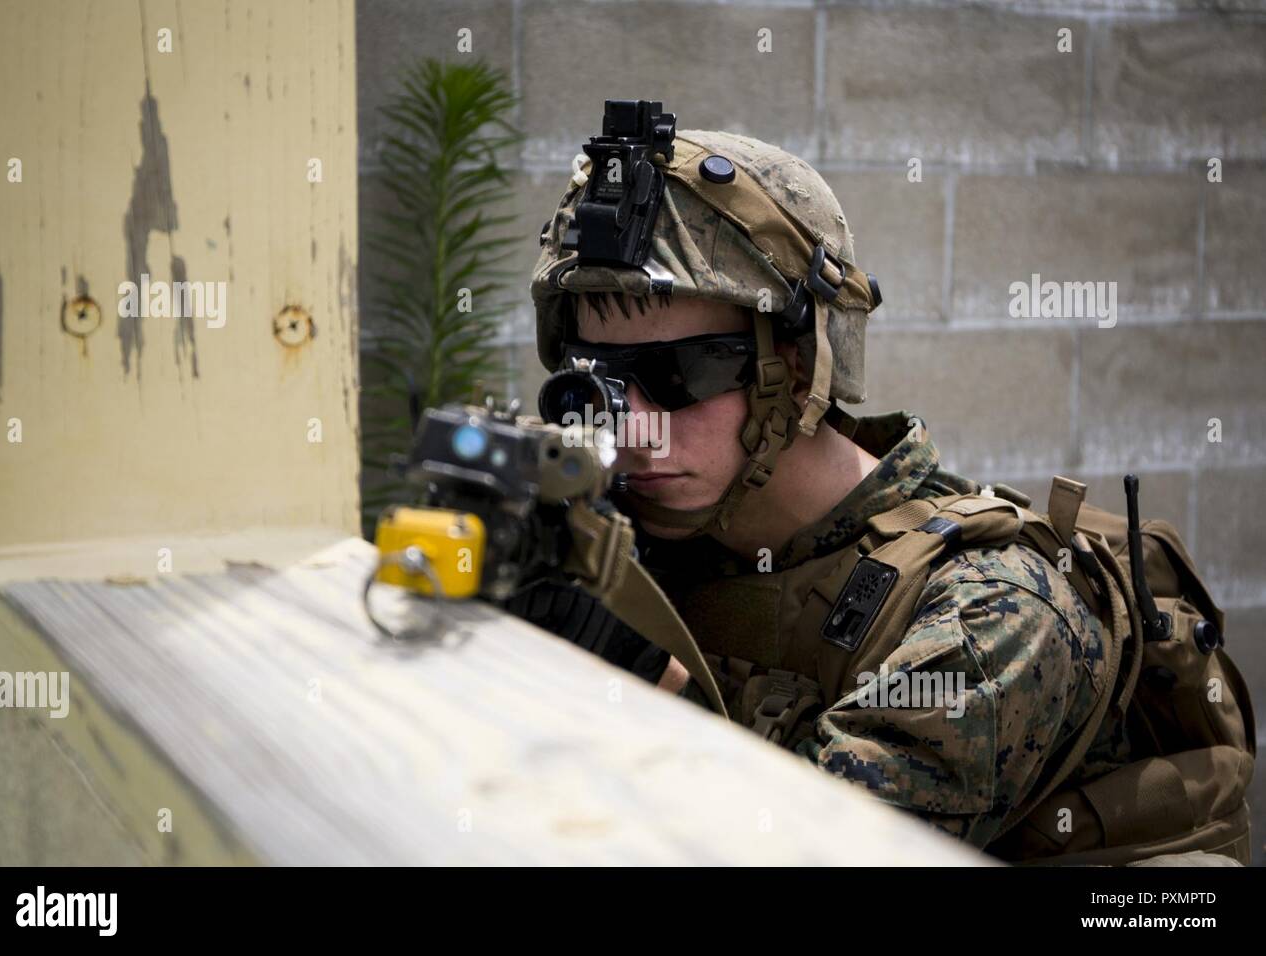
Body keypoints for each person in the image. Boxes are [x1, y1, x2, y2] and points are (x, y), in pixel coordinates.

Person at [512, 115, 1250, 862]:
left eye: (678, 376)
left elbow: (804, 855)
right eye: (600, 380)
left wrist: (647, 680)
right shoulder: (633, 534)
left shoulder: (996, 612)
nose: (634, 426)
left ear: (795, 372)